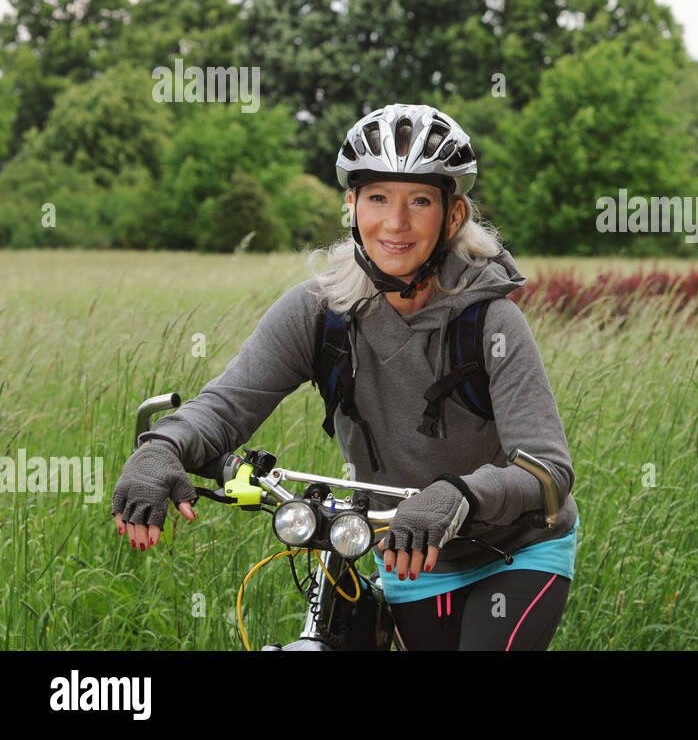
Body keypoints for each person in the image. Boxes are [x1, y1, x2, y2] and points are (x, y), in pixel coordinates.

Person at [111, 104, 579, 650]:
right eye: (378, 197)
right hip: (408, 554)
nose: (395, 223)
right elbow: (224, 407)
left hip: (516, 552)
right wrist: (161, 449)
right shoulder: (319, 311)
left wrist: (457, 495)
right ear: (352, 205)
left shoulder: (491, 321)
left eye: (420, 201)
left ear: (452, 217)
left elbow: (548, 470)